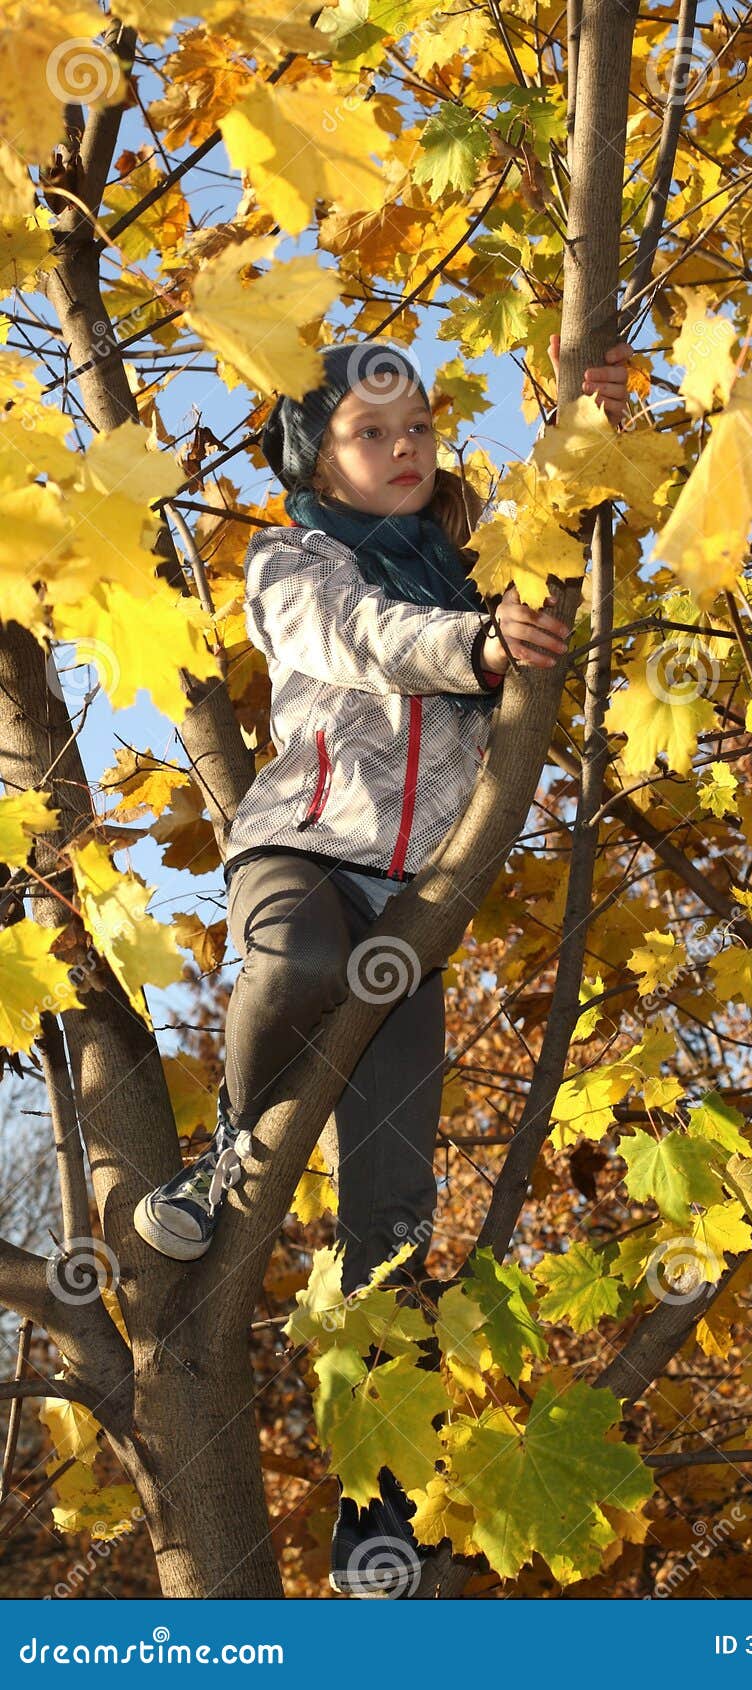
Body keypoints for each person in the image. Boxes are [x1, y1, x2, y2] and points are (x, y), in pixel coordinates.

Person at [132, 334, 634, 1595]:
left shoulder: (472, 563)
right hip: (306, 853)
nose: (403, 449)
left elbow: (559, 537)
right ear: (318, 459)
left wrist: (593, 422)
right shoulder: (292, 559)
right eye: (371, 433)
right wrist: (475, 650)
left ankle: (380, 1505)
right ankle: (233, 1149)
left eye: (416, 430)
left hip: (416, 911)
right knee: (291, 963)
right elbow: (357, 636)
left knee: (394, 1223)